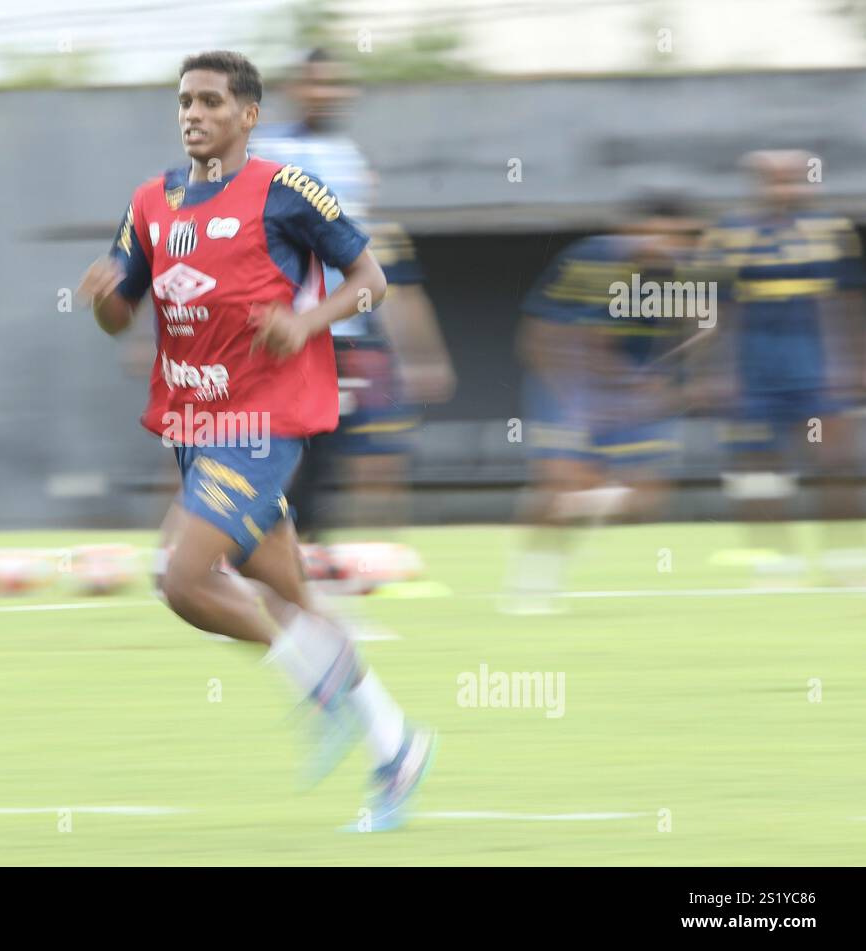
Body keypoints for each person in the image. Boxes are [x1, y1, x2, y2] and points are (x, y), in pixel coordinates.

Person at [76, 50, 433, 830]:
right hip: (196, 426)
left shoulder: (285, 190)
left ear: (247, 115)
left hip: (262, 424)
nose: (193, 114)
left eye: (209, 101)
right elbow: (121, 314)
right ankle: (396, 744)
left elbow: (370, 279)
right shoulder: (150, 202)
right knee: (290, 596)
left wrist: (303, 322)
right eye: (184, 101)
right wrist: (103, 298)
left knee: (181, 578)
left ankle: (318, 694)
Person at [252, 48, 455, 539]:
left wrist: (416, 352)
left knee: (327, 454)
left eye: (335, 83)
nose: (326, 92)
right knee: (262, 450)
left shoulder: (348, 157)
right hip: (271, 329)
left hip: (336, 334)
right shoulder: (265, 149)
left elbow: (367, 261)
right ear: (295, 88)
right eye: (315, 82)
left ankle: (298, 555)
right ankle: (214, 552)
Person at [504, 197, 703, 613]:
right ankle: (532, 584)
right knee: (561, 479)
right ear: (635, 231)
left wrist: (667, 378)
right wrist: (572, 401)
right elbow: (541, 334)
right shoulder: (591, 260)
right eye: (667, 235)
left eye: (686, 237)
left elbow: (693, 325)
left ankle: (578, 505)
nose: (676, 246)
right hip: (569, 385)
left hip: (631, 390)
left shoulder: (679, 274)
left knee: (648, 498)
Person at [698, 150, 865, 584]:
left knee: (837, 463)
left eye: (795, 180)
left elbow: (849, 303)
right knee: (757, 472)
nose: (787, 189)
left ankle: (844, 560)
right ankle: (777, 562)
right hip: (752, 370)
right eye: (776, 180)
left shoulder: (832, 230)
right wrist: (711, 371)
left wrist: (856, 363)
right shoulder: (727, 233)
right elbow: (710, 309)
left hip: (819, 367)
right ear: (757, 183)